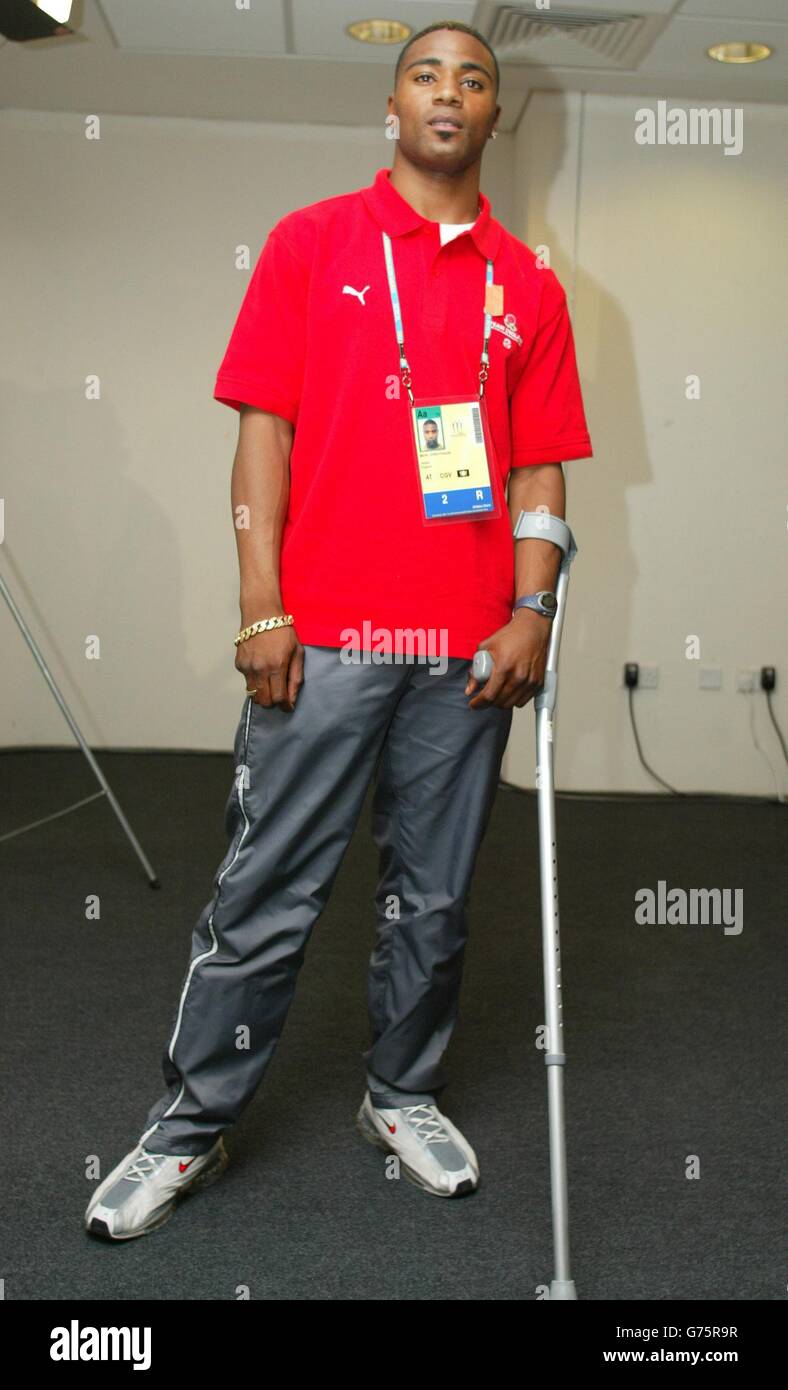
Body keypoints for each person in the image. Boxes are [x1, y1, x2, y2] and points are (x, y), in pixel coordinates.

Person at [85, 18, 592, 1241]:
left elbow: (537, 474)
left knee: (434, 899)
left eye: (475, 78)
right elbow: (261, 431)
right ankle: (188, 1127)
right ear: (392, 102)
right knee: (267, 890)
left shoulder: (526, 288)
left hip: (465, 652)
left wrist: (531, 609)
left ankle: (399, 1094)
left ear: (491, 116)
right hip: (326, 638)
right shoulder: (316, 243)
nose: (450, 91)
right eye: (427, 72)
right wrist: (261, 601)